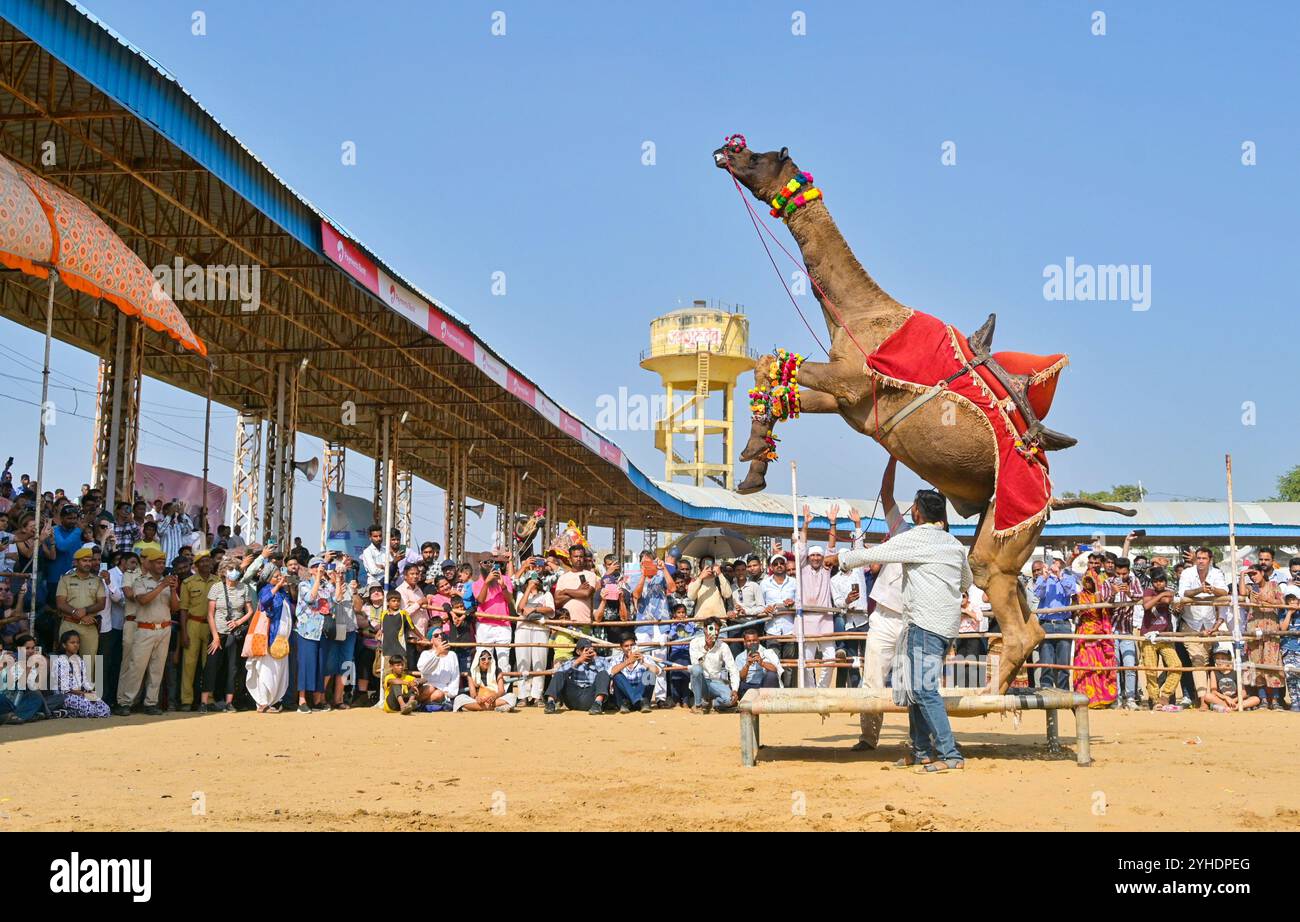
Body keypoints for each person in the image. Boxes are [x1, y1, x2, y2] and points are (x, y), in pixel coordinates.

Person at [830, 483, 971, 773]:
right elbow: (966, 581)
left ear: (917, 513)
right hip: (942, 627)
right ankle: (921, 751)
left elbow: (874, 555)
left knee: (923, 689)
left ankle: (950, 753)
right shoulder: (954, 544)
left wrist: (841, 560)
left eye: (914, 507)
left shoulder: (916, 538)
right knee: (912, 689)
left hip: (924, 625)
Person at [852, 458, 908, 750]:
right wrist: (894, 454)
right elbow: (887, 494)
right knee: (872, 679)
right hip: (885, 617)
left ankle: (919, 739)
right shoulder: (903, 533)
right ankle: (869, 737)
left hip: (915, 622)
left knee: (916, 684)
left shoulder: (944, 545)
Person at [114, 547, 176, 716]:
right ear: (149, 564)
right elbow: (142, 600)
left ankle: (151, 702)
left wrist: (173, 589)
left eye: (163, 563)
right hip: (144, 628)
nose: (161, 566)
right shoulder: (140, 581)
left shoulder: (167, 582)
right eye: (158, 562)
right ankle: (126, 702)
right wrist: (162, 585)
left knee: (157, 669)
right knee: (136, 667)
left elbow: (175, 607)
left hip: (164, 628)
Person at [1175, 547, 1228, 708]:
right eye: (1198, 558)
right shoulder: (1187, 573)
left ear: (1210, 559)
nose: (1201, 561)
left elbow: (1224, 592)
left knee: (1207, 661)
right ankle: (1204, 700)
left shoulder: (1216, 573)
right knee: (1197, 660)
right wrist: (1201, 590)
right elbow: (1183, 592)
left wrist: (1212, 590)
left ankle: (1209, 698)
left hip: (1211, 623)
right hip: (1191, 623)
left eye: (1204, 558)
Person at [795, 503, 839, 688]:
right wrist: (805, 525)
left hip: (825, 620)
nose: (814, 558)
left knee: (830, 658)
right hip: (807, 621)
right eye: (812, 555)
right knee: (807, 661)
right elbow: (802, 546)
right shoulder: (802, 569)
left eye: (817, 556)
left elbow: (831, 547)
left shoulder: (826, 569)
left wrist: (833, 523)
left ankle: (822, 688)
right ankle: (812, 690)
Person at [202, 560, 253, 712]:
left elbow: (250, 611)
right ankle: (204, 702)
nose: (234, 572)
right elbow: (210, 614)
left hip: (234, 634)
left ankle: (229, 702)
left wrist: (238, 622)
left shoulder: (244, 588)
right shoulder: (216, 588)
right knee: (211, 666)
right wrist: (215, 636)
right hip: (218, 632)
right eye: (231, 569)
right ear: (224, 572)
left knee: (233, 668)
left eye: (237, 569)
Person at [246, 567, 292, 713]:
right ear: (268, 578)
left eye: (280, 576)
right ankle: (262, 702)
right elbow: (265, 602)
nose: (279, 578)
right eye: (276, 576)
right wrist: (277, 586)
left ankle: (273, 701)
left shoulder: (283, 593)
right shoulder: (266, 589)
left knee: (279, 672)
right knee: (267, 670)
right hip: (270, 637)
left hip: (282, 640)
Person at [176, 551, 218, 710]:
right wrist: (184, 633)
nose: (206, 564)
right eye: (202, 561)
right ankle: (186, 700)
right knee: (189, 664)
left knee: (209, 664)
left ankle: (209, 699)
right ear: (197, 565)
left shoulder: (218, 582)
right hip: (193, 624)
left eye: (208, 561)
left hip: (211, 626)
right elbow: (183, 610)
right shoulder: (188, 583)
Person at [630, 550, 674, 701]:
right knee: (645, 660)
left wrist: (664, 569)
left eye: (650, 562)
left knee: (660, 659)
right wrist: (644, 574)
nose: (647, 565)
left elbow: (672, 588)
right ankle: (647, 696)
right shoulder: (635, 576)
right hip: (643, 623)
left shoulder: (662, 575)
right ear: (641, 564)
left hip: (661, 623)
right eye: (644, 562)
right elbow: (636, 595)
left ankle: (661, 697)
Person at [1102, 557, 1146, 709]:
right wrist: (1113, 594)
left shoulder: (1134, 581)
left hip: (1127, 629)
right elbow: (1104, 604)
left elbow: (1140, 596)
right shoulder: (1107, 583)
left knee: (1129, 665)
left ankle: (1131, 698)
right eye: (1119, 573)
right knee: (1115, 665)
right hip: (1112, 630)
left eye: (1124, 574)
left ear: (1129, 571)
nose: (1121, 577)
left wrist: (1129, 593)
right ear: (1115, 571)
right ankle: (1117, 697)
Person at [1241, 564, 1284, 709]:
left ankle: (1276, 700)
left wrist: (1267, 599)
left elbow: (1282, 603)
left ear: (1262, 572)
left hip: (1271, 628)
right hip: (1254, 628)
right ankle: (1263, 699)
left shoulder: (1274, 585)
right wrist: (1242, 574)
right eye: (1250, 574)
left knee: (1273, 664)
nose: (1253, 577)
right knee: (1256, 663)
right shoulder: (1249, 588)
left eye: (1255, 573)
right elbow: (1241, 593)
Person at [1139, 568, 1183, 711]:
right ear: (1152, 582)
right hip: (1148, 636)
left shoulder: (1167, 592)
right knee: (1151, 670)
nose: (1159, 584)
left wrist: (1160, 597)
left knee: (1176, 665)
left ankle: (1165, 694)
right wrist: (1161, 596)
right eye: (1156, 581)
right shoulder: (1148, 591)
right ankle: (1154, 699)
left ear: (1165, 581)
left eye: (1162, 581)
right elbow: (1146, 605)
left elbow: (1167, 599)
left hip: (1165, 636)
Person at [1031, 555, 1077, 690]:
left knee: (1063, 663)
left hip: (1063, 623)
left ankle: (1063, 692)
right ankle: (1046, 691)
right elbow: (1038, 593)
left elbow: (1072, 591)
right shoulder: (1043, 578)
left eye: (1057, 562)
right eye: (1052, 561)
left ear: (1061, 564)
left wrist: (1060, 576)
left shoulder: (1068, 577)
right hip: (1046, 624)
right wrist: (1045, 577)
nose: (1054, 564)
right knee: (1046, 662)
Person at [55, 545, 105, 666]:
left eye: (90, 560)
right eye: (84, 560)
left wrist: (85, 610)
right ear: (76, 562)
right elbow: (60, 603)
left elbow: (101, 604)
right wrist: (77, 614)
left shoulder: (97, 580)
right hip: (69, 624)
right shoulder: (65, 579)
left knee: (89, 665)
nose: (88, 563)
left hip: (89, 627)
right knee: (66, 665)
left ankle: (87, 686)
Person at [1071, 574, 1117, 707]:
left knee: (1099, 664)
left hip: (1098, 634)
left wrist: (1097, 588)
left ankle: (1101, 697)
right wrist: (1078, 612)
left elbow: (1098, 608)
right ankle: (1084, 697)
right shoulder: (1077, 596)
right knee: (1084, 664)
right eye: (1085, 581)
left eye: (1091, 581)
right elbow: (1072, 613)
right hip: (1084, 632)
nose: (1087, 584)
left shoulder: (1100, 596)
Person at [514, 569, 553, 706]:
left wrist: (534, 609)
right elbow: (520, 609)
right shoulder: (520, 594)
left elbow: (551, 610)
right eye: (530, 579)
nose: (533, 580)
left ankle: (537, 695)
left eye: (536, 578)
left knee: (539, 661)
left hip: (540, 629)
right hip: (523, 628)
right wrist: (528, 590)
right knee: (522, 661)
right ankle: (523, 696)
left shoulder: (546, 594)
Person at [758, 553, 798, 687]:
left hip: (790, 629)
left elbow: (801, 601)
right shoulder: (764, 584)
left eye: (781, 563)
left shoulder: (794, 582)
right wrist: (766, 608)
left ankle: (786, 693)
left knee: (789, 665)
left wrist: (793, 603)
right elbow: (760, 605)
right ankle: (775, 693)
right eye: (776, 564)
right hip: (772, 629)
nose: (779, 566)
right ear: (771, 567)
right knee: (773, 663)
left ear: (785, 565)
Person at [543, 637, 611, 715]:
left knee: (603, 673)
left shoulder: (600, 660)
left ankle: (598, 704)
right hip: (573, 697)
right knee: (560, 673)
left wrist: (594, 659)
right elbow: (559, 673)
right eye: (583, 649)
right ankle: (550, 703)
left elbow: (609, 673)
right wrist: (578, 661)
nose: (587, 651)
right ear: (578, 651)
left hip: (591, 697)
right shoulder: (572, 661)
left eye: (589, 648)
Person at [322, 563, 358, 710]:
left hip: (349, 630)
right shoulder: (326, 588)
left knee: (345, 665)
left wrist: (355, 592)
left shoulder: (350, 587)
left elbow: (359, 607)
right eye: (337, 572)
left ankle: (338, 699)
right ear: (330, 574)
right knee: (329, 666)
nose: (340, 575)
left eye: (343, 573)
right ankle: (321, 699)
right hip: (333, 630)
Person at [52, 630, 110, 718]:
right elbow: (65, 689)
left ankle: (67, 712)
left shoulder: (79, 660)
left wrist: (90, 692)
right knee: (90, 710)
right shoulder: (60, 661)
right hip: (65, 696)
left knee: (105, 710)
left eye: (78, 643)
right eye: (72, 642)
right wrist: (83, 694)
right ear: (64, 645)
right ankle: (67, 712)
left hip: (80, 693)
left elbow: (85, 682)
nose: (76, 645)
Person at [472, 557, 514, 675]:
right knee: (483, 657)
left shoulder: (505, 579)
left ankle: (504, 690)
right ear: (480, 564)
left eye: (491, 562)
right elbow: (481, 600)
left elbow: (510, 600)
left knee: (503, 659)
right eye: (485, 562)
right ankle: (484, 687)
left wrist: (503, 585)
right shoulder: (476, 583)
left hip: (503, 625)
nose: (489, 564)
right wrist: (486, 582)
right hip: (484, 625)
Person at [688, 617, 738, 712]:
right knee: (696, 669)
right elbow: (695, 664)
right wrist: (706, 648)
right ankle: (698, 705)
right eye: (712, 629)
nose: (715, 633)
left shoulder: (723, 646)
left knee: (731, 700)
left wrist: (734, 689)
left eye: (717, 630)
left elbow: (733, 669)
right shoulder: (695, 643)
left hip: (716, 682)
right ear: (704, 629)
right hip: (701, 682)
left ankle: (712, 703)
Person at [607, 635, 662, 713]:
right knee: (617, 675)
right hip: (625, 701)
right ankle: (637, 700)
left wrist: (643, 663)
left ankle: (635, 700)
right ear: (621, 647)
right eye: (626, 646)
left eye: (632, 645)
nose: (629, 648)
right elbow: (610, 672)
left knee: (650, 673)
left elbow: (657, 671)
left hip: (642, 699)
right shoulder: (616, 659)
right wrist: (628, 661)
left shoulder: (645, 658)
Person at [1203, 646, 1259, 712]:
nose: (1220, 661)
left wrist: (1233, 700)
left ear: (1229, 660)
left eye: (1223, 658)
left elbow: (1243, 692)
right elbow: (1214, 691)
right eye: (1217, 658)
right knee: (1207, 696)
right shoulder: (1214, 672)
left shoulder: (1236, 672)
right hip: (1222, 700)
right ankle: (1230, 707)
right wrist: (1226, 698)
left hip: (1236, 700)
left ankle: (1235, 707)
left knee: (1256, 699)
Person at [662, 602, 695, 707]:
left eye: (683, 612)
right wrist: (676, 625)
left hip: (686, 653)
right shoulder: (671, 624)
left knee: (685, 677)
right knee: (675, 678)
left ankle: (685, 701)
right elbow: (671, 636)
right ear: (674, 614)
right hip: (675, 653)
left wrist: (685, 624)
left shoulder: (690, 623)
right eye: (678, 613)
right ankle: (676, 701)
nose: (681, 615)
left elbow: (691, 633)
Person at [416, 634, 460, 711]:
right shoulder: (425, 654)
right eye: (436, 635)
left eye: (442, 635)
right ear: (431, 640)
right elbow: (423, 669)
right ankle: (417, 703)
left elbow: (455, 676)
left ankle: (419, 706)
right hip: (427, 686)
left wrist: (450, 692)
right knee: (429, 689)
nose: (440, 637)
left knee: (438, 694)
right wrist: (437, 653)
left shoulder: (452, 655)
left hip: (443, 689)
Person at [735, 625, 782, 694]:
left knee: (771, 676)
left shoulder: (767, 652)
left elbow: (775, 669)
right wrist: (747, 665)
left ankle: (767, 702)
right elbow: (740, 678)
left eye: (754, 640)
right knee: (737, 684)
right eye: (749, 641)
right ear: (744, 642)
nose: (752, 643)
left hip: (763, 685)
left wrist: (762, 663)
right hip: (747, 685)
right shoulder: (739, 657)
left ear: (758, 641)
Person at [687, 555, 732, 622]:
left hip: (719, 622)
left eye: (710, 563)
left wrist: (719, 573)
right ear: (700, 567)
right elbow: (691, 597)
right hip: (701, 622)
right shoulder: (696, 580)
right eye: (705, 563)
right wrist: (700, 578)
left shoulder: (720, 579)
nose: (707, 565)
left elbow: (727, 594)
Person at [1278, 586, 1300, 711]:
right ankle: (1294, 701)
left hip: (1299, 648)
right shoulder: (1284, 613)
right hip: (1287, 649)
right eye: (1289, 599)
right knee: (1290, 677)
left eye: (1294, 599)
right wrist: (1290, 613)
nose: (1292, 602)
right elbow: (1283, 629)